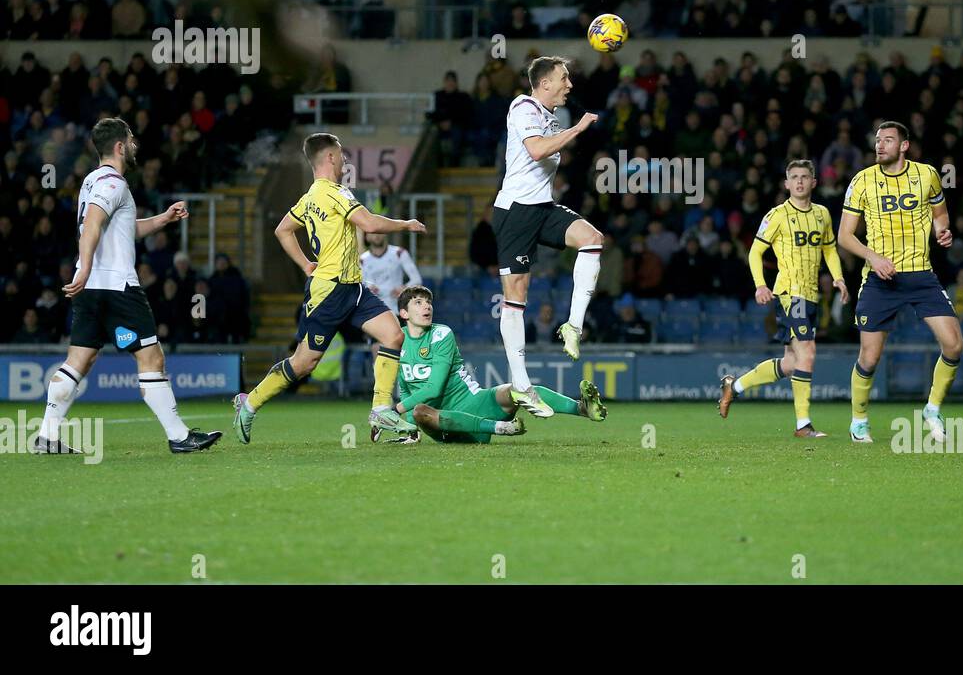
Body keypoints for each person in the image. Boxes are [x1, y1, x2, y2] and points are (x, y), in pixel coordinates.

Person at [39, 118, 220, 454]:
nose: (135, 144)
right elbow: (93, 223)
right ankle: (179, 436)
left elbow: (121, 230)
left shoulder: (92, 181)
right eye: (131, 139)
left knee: (79, 360)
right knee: (151, 358)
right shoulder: (114, 184)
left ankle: (47, 436)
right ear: (120, 146)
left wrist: (163, 219)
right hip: (116, 286)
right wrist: (88, 265)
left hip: (93, 286)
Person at [232, 133, 427, 444]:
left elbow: (283, 230)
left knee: (393, 335)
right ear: (331, 158)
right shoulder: (337, 193)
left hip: (353, 287)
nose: (345, 160)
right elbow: (370, 224)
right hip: (330, 292)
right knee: (303, 363)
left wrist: (304, 264)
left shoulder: (309, 198)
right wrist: (406, 224)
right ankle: (250, 403)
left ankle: (381, 408)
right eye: (342, 155)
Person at [491, 56, 602, 417]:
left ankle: (573, 325)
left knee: (592, 239)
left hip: (541, 206)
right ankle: (521, 386)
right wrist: (577, 130)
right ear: (544, 84)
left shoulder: (551, 116)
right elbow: (536, 150)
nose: (569, 84)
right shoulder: (523, 106)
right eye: (563, 78)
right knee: (516, 297)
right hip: (516, 212)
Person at [838, 121, 961, 443]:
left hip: (920, 274)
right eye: (878, 140)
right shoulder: (862, 181)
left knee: (953, 344)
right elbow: (844, 236)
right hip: (880, 279)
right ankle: (859, 420)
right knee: (870, 357)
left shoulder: (928, 175)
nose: (880, 145)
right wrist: (873, 258)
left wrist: (941, 230)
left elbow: (941, 214)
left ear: (904, 146)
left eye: (888, 140)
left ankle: (932, 409)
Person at [718, 159, 847, 438]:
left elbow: (830, 250)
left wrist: (838, 277)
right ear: (786, 184)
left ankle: (734, 386)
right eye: (794, 177)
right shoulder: (776, 215)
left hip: (811, 295)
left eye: (804, 177)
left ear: (813, 183)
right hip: (790, 292)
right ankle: (803, 425)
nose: (799, 182)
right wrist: (760, 285)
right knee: (808, 353)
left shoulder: (823, 214)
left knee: (791, 363)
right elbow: (755, 253)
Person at [385, 286, 606, 445]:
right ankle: (500, 428)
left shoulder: (441, 333)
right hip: (445, 422)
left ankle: (583, 408)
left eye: (428, 302)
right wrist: (409, 428)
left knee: (518, 390)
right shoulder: (398, 340)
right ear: (403, 313)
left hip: (474, 402)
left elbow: (434, 388)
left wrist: (393, 412)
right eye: (418, 302)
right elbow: (405, 388)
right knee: (420, 411)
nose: (427, 307)